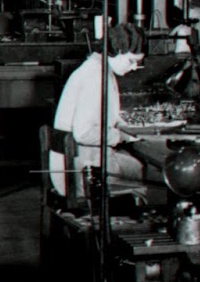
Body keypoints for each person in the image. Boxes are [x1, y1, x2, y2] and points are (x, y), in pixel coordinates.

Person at [51, 23, 149, 195]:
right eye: (132, 61)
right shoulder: (95, 76)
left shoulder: (97, 68)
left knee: (134, 165)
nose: (134, 67)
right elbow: (83, 133)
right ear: (117, 51)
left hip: (77, 160)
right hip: (80, 172)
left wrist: (124, 127)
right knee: (147, 172)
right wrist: (119, 136)